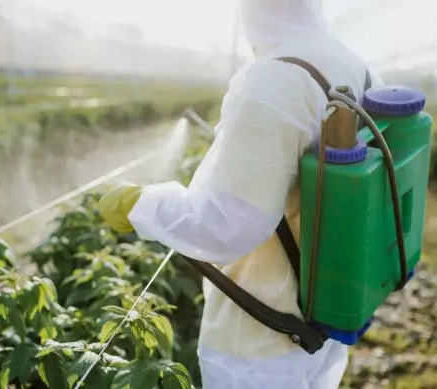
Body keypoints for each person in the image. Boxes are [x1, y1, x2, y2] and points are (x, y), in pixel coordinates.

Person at [98, 0, 382, 387]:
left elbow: (228, 225)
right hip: (325, 311)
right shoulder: (348, 61)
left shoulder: (274, 80)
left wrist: (141, 205)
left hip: (260, 340)